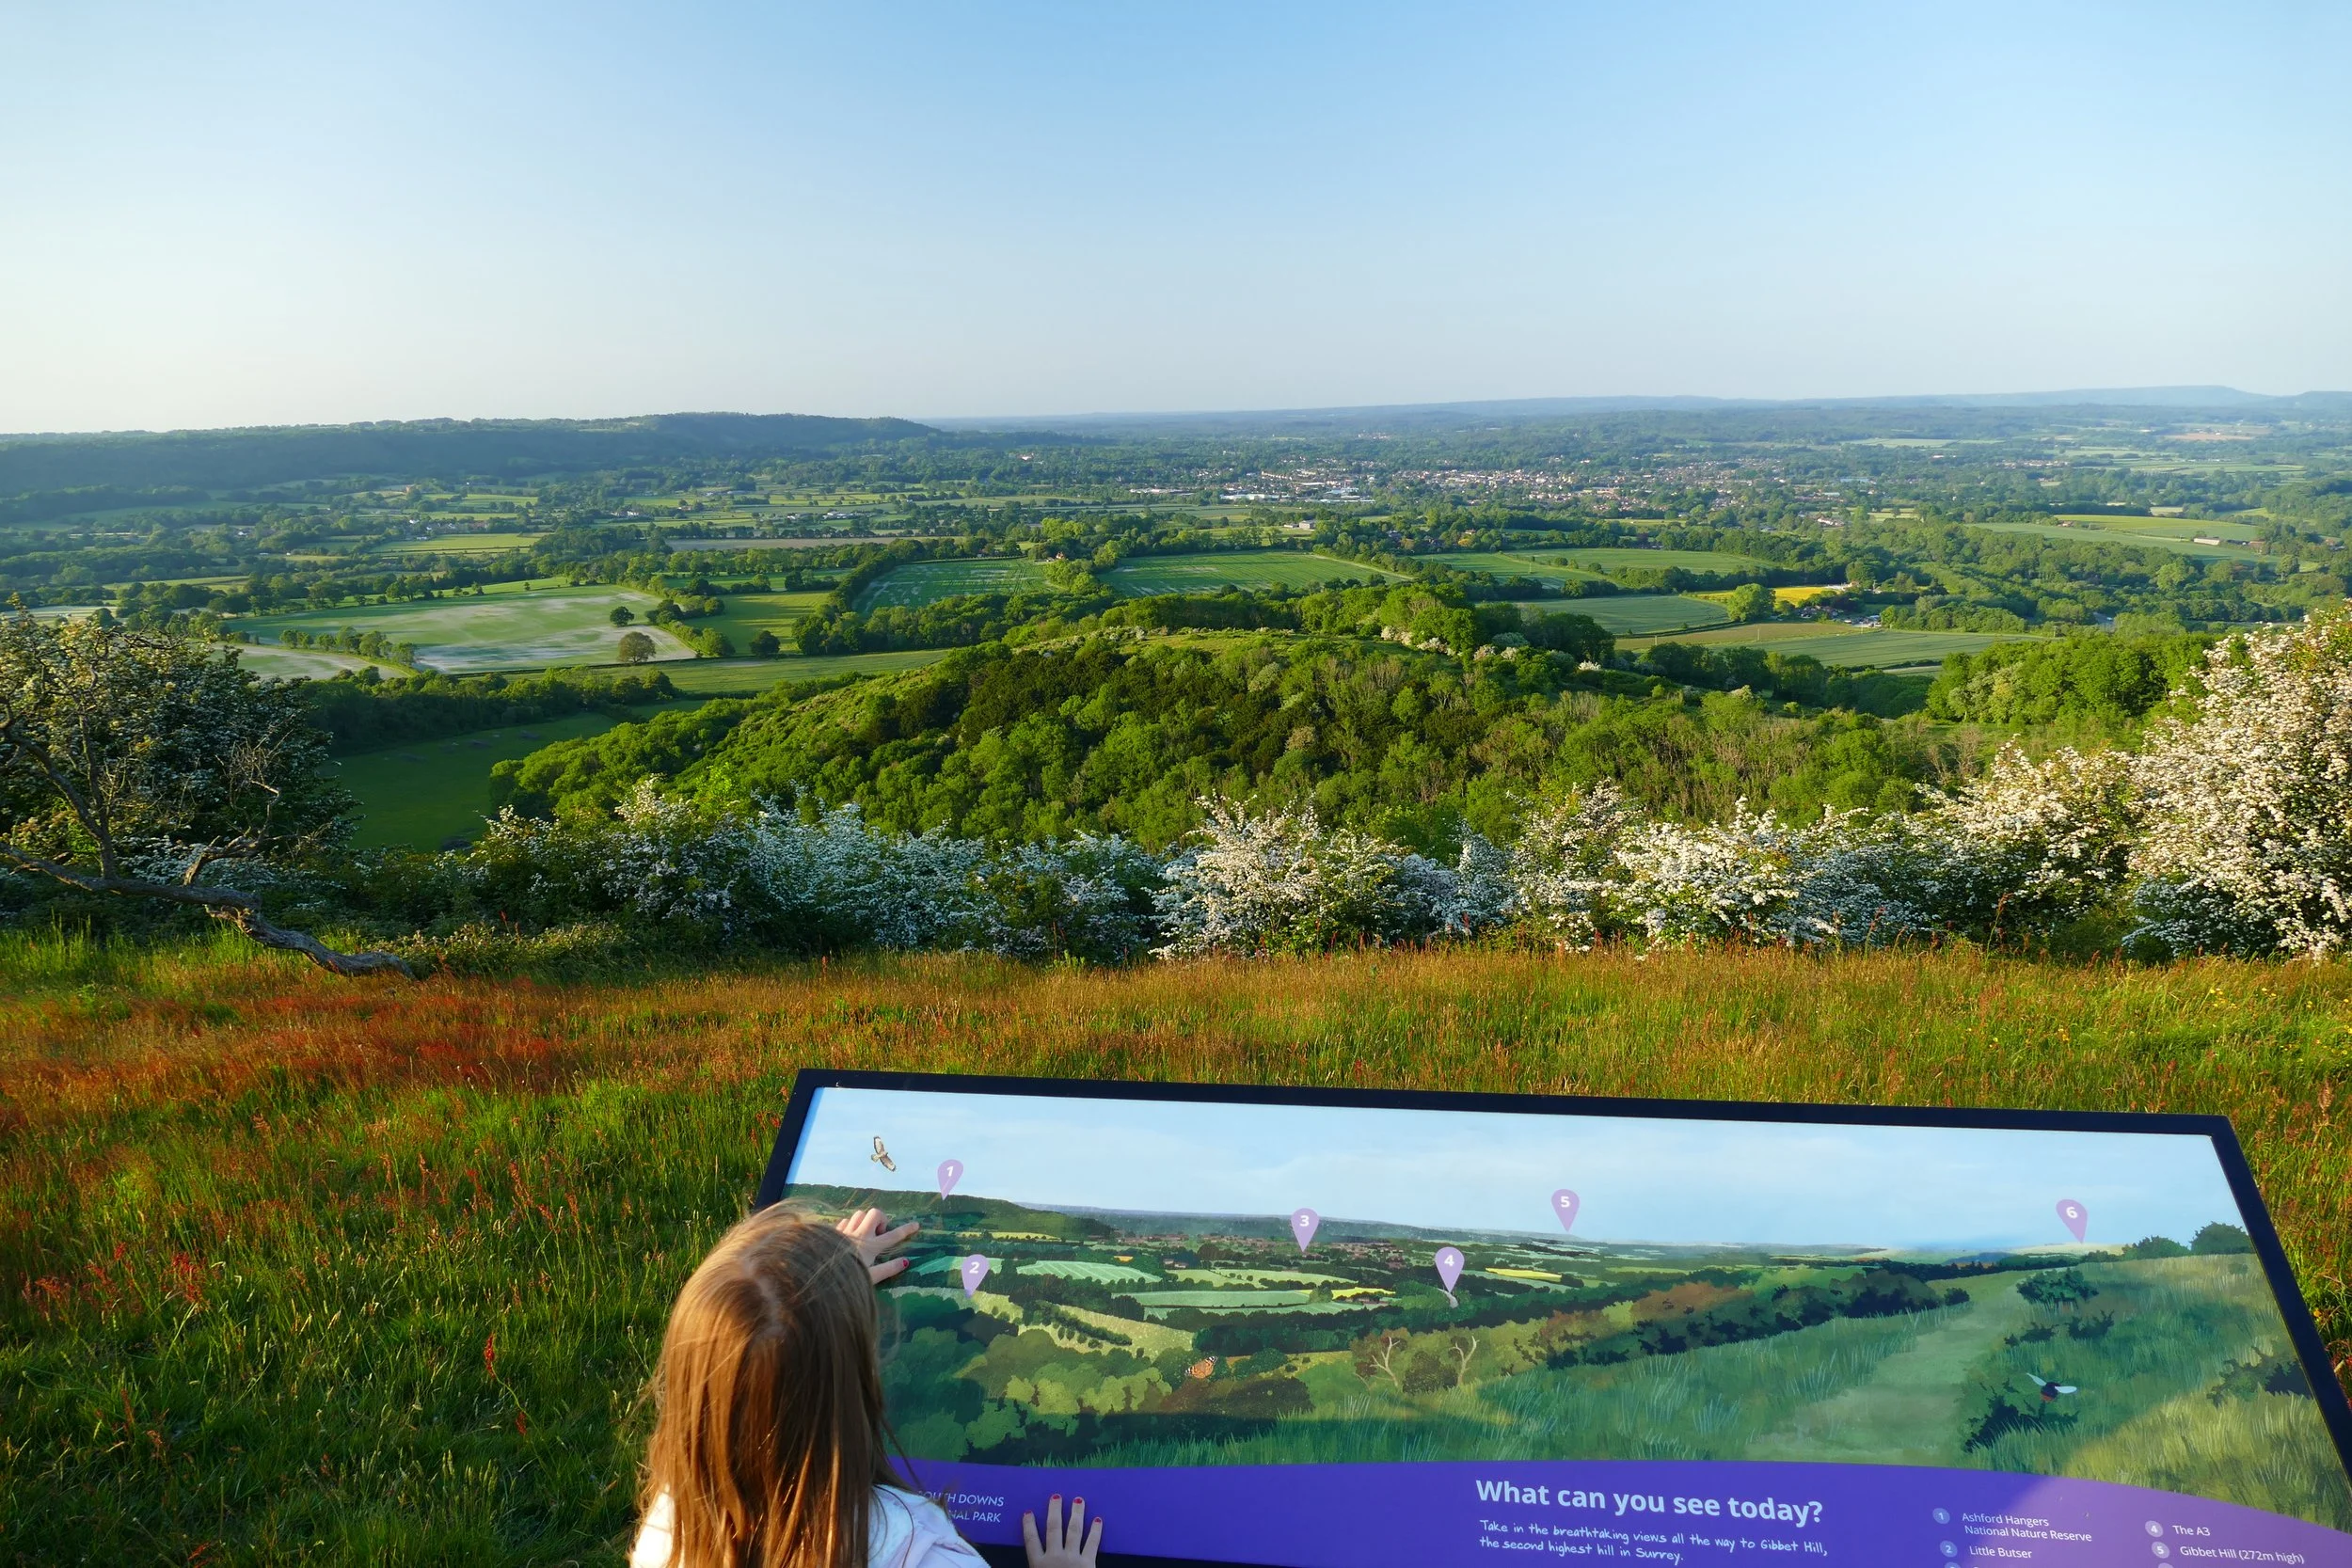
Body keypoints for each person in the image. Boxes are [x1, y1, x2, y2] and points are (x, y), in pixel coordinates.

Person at [630, 1204, 1105, 1568]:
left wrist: (827, 1283)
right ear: (858, 1375)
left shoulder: (670, 1530)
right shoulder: (926, 1554)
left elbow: (757, 1342)